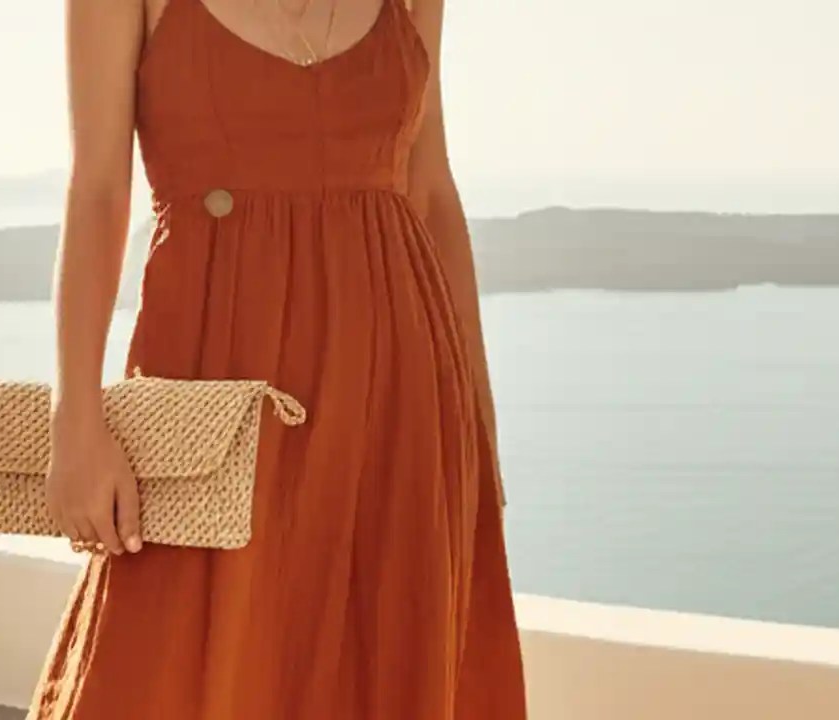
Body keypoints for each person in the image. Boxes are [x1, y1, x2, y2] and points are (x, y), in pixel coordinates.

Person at [35, 0, 526, 717]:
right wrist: (74, 417)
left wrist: (479, 427)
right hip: (213, 371)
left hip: (399, 386)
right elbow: (99, 191)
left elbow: (429, 189)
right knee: (170, 663)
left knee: (378, 660)